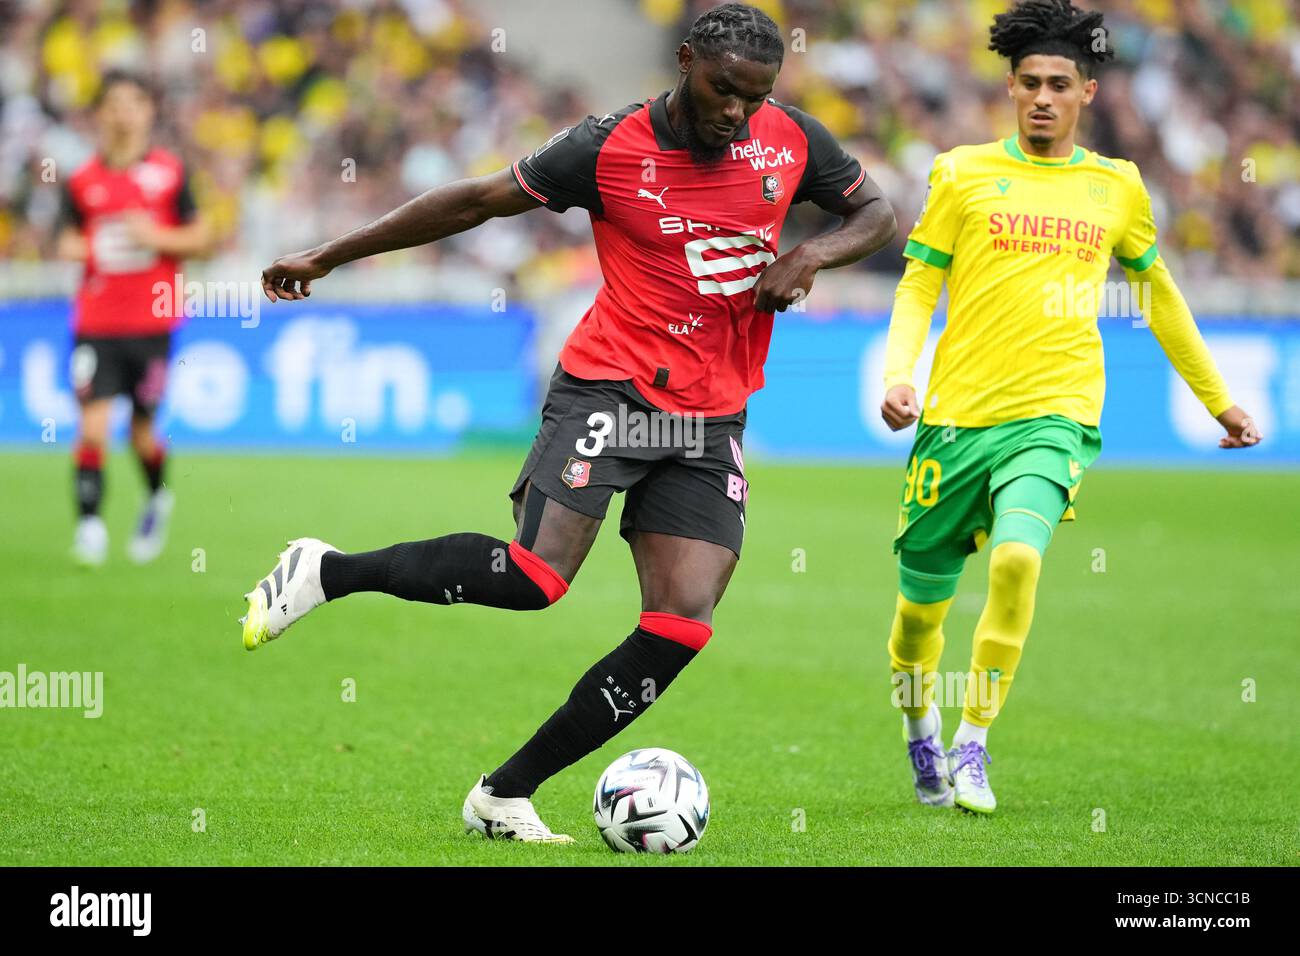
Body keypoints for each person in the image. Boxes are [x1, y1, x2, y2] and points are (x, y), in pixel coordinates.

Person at [242, 3, 896, 842]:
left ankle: (504, 794)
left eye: (755, 97)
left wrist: (809, 255)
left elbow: (875, 212)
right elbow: (476, 201)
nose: (737, 114)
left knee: (680, 623)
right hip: (612, 391)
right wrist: (328, 255)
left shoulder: (792, 139)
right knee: (536, 579)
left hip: (708, 417)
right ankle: (328, 570)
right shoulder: (606, 146)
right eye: (724, 90)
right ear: (686, 60)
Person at [879, 0, 1260, 815]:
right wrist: (899, 373)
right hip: (954, 422)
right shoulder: (962, 173)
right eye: (1028, 83)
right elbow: (918, 282)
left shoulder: (1116, 187)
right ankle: (920, 723)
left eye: (1059, 83)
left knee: (1018, 560)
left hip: (1056, 412)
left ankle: (974, 744)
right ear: (1010, 89)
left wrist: (1220, 400)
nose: (1042, 96)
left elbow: (1159, 298)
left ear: (1088, 92)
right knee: (918, 621)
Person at [58, 70, 211, 566]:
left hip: (152, 324)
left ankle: (156, 497)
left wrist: (155, 238)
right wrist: (82, 247)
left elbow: (202, 236)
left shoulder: (169, 173)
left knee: (140, 432)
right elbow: (65, 239)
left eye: (134, 102)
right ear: (100, 113)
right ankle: (90, 527)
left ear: (147, 111)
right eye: (114, 103)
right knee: (92, 427)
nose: (123, 113)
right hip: (95, 324)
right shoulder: (81, 180)